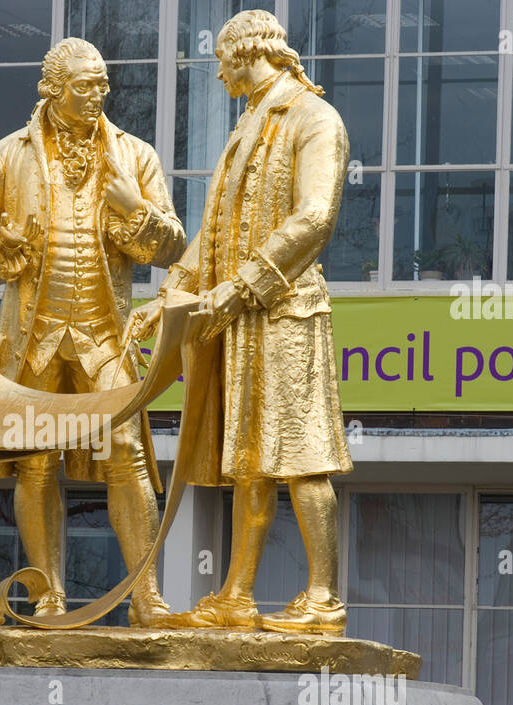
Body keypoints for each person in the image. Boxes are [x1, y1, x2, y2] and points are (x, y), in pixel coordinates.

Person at [129, 9, 353, 633]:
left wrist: (242, 286)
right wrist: (170, 295)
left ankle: (323, 597)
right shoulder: (249, 122)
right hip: (238, 314)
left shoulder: (313, 117)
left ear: (246, 51)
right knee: (251, 457)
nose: (218, 71)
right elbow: (214, 232)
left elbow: (314, 219)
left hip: (284, 310)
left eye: (220, 60)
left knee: (303, 455)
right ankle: (236, 594)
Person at [0, 37, 186, 626]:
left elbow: (172, 247)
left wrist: (135, 209)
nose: (98, 94)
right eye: (85, 85)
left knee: (128, 454)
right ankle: (49, 596)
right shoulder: (6, 157)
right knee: (35, 461)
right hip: (34, 336)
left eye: (103, 84)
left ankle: (146, 596)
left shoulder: (135, 156)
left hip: (104, 335)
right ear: (52, 89)